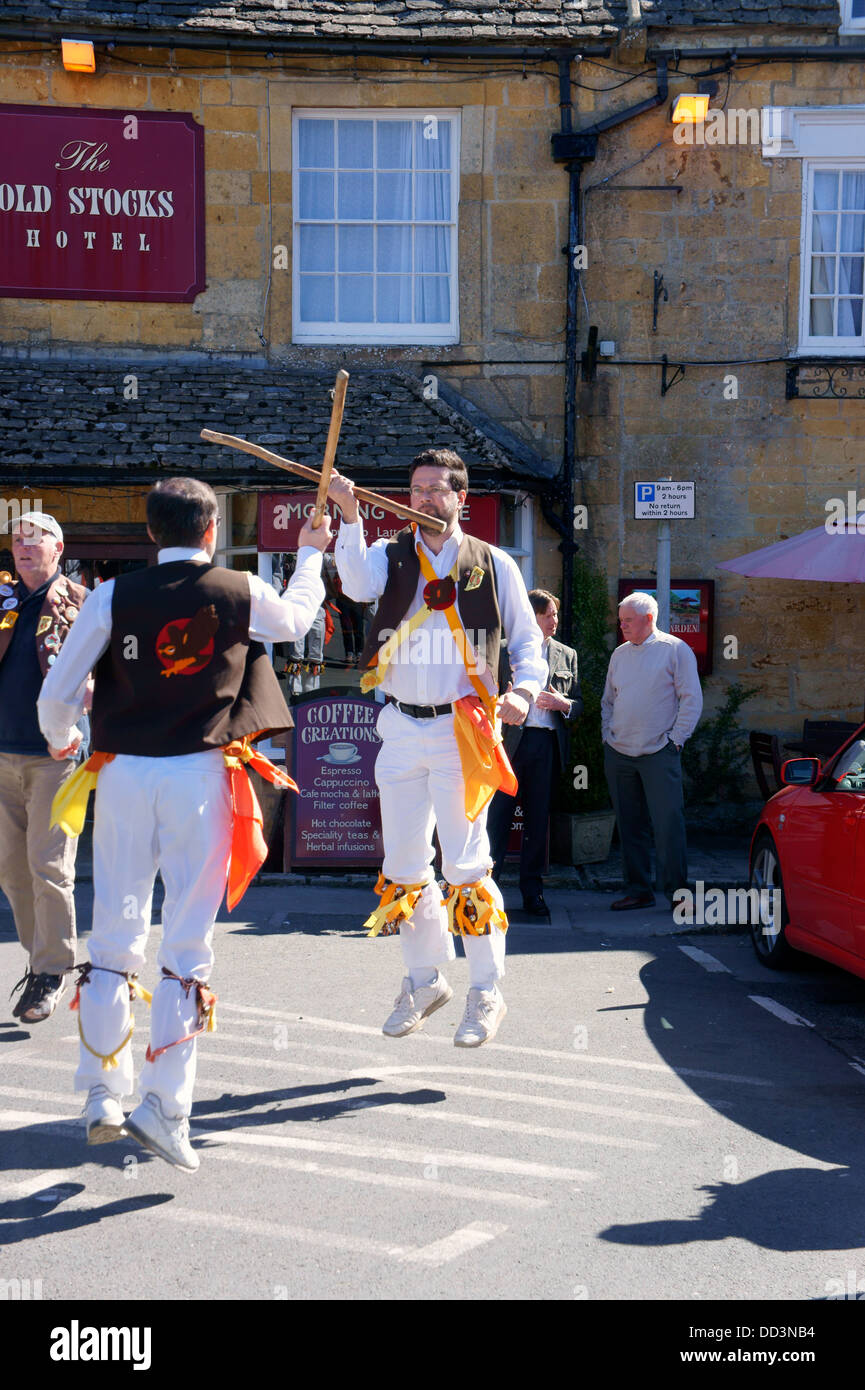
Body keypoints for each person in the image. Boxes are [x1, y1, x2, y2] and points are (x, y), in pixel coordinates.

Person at [38, 478, 329, 1171]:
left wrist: (59, 739)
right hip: (201, 775)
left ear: (150, 533)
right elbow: (294, 620)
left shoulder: (110, 595)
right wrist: (312, 553)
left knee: (114, 933)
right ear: (210, 530)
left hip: (125, 774)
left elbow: (58, 692)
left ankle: (102, 1094)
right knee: (188, 942)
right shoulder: (235, 590)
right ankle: (165, 1107)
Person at [329, 448, 546, 1047]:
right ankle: (424, 981)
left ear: (460, 499)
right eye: (415, 488)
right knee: (402, 866)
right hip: (398, 726)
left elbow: (529, 644)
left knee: (466, 865)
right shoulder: (388, 554)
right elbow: (353, 584)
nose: (423, 497)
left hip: (463, 730)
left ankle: (485, 991)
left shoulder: (494, 563)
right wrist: (349, 514)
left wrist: (524, 693)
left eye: (436, 489)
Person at [0, 512, 88, 1024]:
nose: (24, 547)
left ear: (58, 547)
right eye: (17, 540)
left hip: (55, 757)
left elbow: (108, 670)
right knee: (12, 872)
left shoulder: (81, 601)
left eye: (35, 539)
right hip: (3, 753)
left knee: (49, 866)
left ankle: (52, 971)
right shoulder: (2, 598)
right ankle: (42, 962)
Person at [602, 591, 702, 911]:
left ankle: (678, 895)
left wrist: (676, 740)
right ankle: (638, 890)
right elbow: (609, 700)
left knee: (668, 824)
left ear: (649, 619)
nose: (622, 627)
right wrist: (608, 735)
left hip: (659, 750)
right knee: (630, 825)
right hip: (619, 752)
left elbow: (691, 699)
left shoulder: (675, 650)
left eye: (628, 621)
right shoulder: (619, 654)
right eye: (620, 622)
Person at [488, 589, 582, 916]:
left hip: (546, 744)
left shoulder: (566, 654)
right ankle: (487, 892)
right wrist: (502, 698)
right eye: (547, 615)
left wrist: (563, 704)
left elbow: (579, 704)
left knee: (537, 822)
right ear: (531, 616)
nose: (554, 620)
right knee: (496, 818)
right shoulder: (503, 651)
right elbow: (481, 694)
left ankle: (532, 892)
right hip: (509, 744)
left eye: (556, 614)